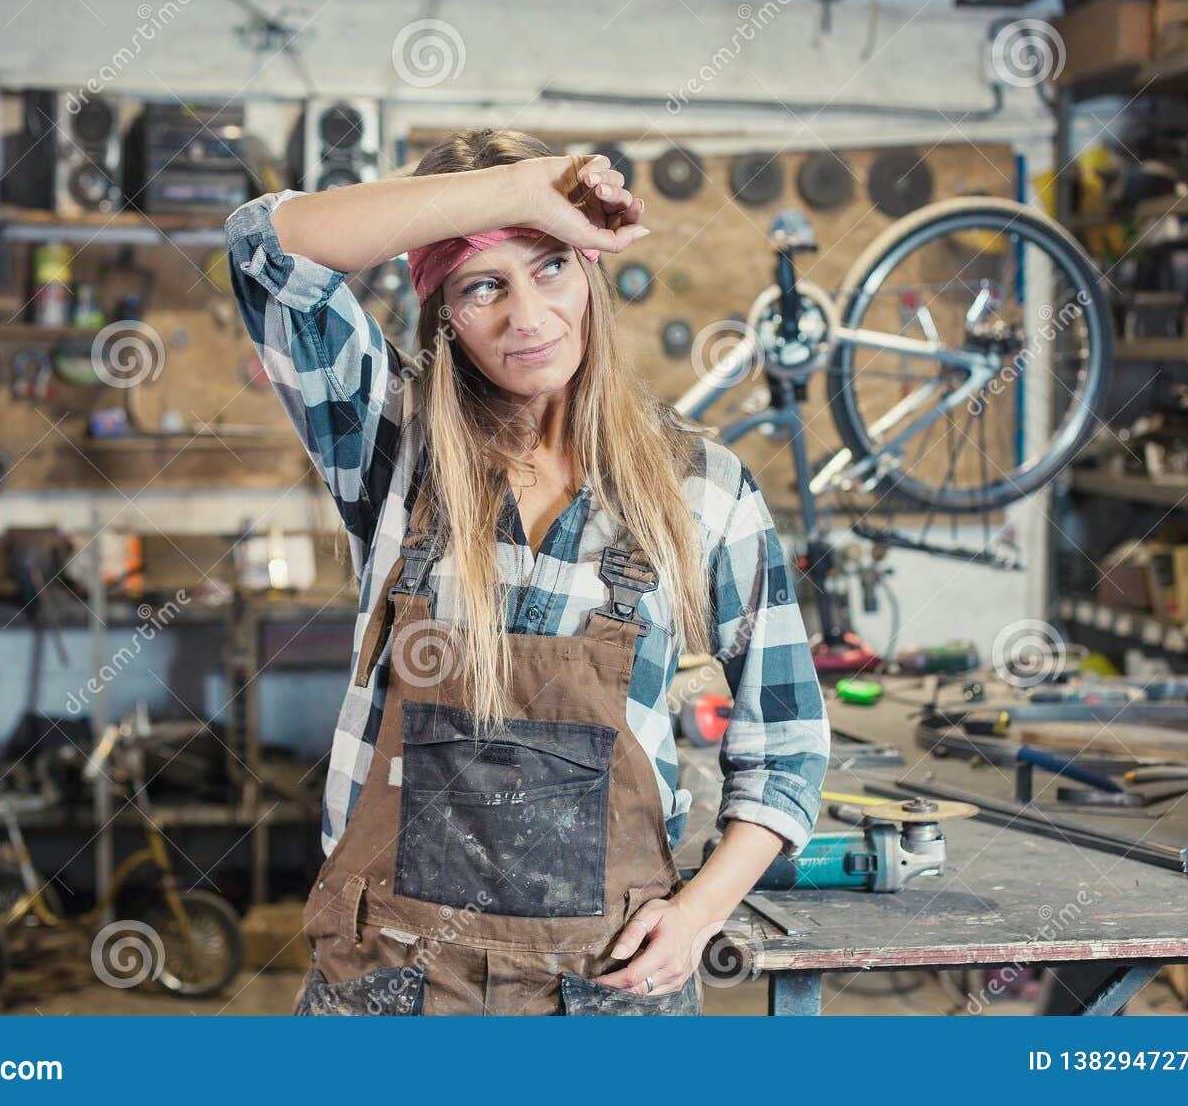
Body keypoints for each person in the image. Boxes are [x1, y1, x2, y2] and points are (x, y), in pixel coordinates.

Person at [225, 127, 828, 1016]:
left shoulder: (701, 488)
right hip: (391, 985)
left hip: (606, 986)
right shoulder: (391, 447)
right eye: (482, 286)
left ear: (590, 272)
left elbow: (785, 742)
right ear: (443, 314)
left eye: (551, 266)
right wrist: (521, 190)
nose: (529, 316)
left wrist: (700, 912)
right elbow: (266, 249)